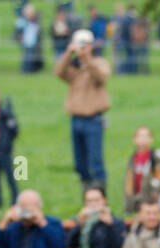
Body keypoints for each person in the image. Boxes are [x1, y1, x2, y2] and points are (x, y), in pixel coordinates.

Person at [57, 28, 111, 185]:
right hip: (76, 120)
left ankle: (101, 195)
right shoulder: (73, 68)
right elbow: (59, 72)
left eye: (85, 44)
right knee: (80, 163)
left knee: (96, 161)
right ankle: (87, 194)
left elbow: (100, 76)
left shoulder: (99, 63)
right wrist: (69, 53)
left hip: (93, 120)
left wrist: (87, 58)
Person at [122, 125, 160, 214]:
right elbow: (128, 184)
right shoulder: (132, 159)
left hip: (153, 202)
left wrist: (157, 191)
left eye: (146, 136)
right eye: (140, 136)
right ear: (134, 139)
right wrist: (128, 205)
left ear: (151, 139)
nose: (143, 139)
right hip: (137, 202)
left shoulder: (157, 157)